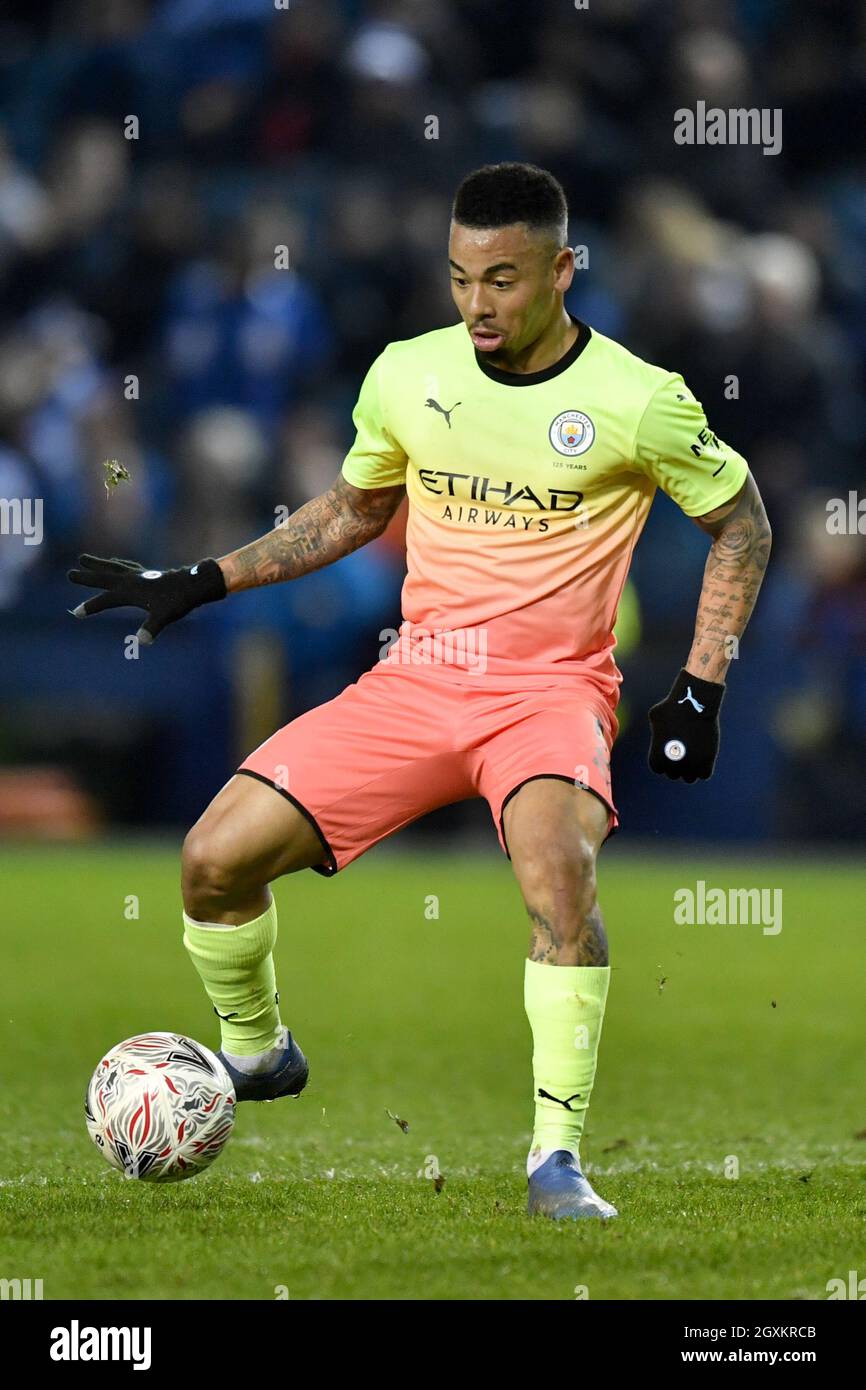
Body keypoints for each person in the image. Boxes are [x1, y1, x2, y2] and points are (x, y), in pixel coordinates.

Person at [69, 162, 772, 1220]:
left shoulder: (637, 399)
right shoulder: (407, 373)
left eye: (500, 279)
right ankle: (258, 1054)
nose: (476, 304)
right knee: (211, 862)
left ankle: (554, 1161)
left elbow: (743, 523)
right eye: (458, 278)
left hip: (548, 692)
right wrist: (205, 576)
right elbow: (352, 511)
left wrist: (700, 686)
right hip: (416, 680)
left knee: (556, 872)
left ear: (560, 269)